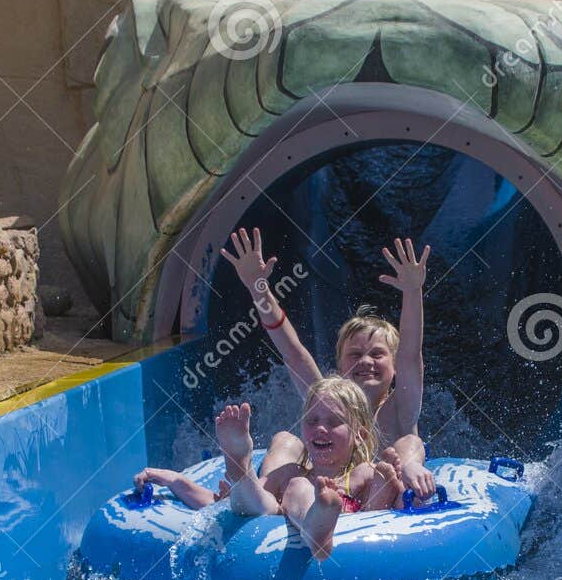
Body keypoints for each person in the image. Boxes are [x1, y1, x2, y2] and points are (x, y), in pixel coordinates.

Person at [218, 228, 437, 499]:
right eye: (355, 355)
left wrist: (413, 291)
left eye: (377, 354)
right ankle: (257, 495)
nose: (366, 361)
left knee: (411, 443)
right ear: (339, 364)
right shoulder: (327, 398)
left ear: (394, 368)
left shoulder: (401, 406)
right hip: (322, 496)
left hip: (381, 502)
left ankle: (406, 480)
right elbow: (293, 352)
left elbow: (411, 355)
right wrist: (256, 286)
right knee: (286, 441)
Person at [135, 376, 401, 560]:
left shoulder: (362, 474)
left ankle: (318, 521)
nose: (321, 428)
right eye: (312, 420)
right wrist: (175, 480)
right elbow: (216, 506)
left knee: (303, 487)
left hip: (351, 536)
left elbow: (394, 519)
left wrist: (391, 484)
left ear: (360, 436)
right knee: (278, 491)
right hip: (295, 516)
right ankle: (241, 465)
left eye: (334, 422)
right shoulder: (291, 474)